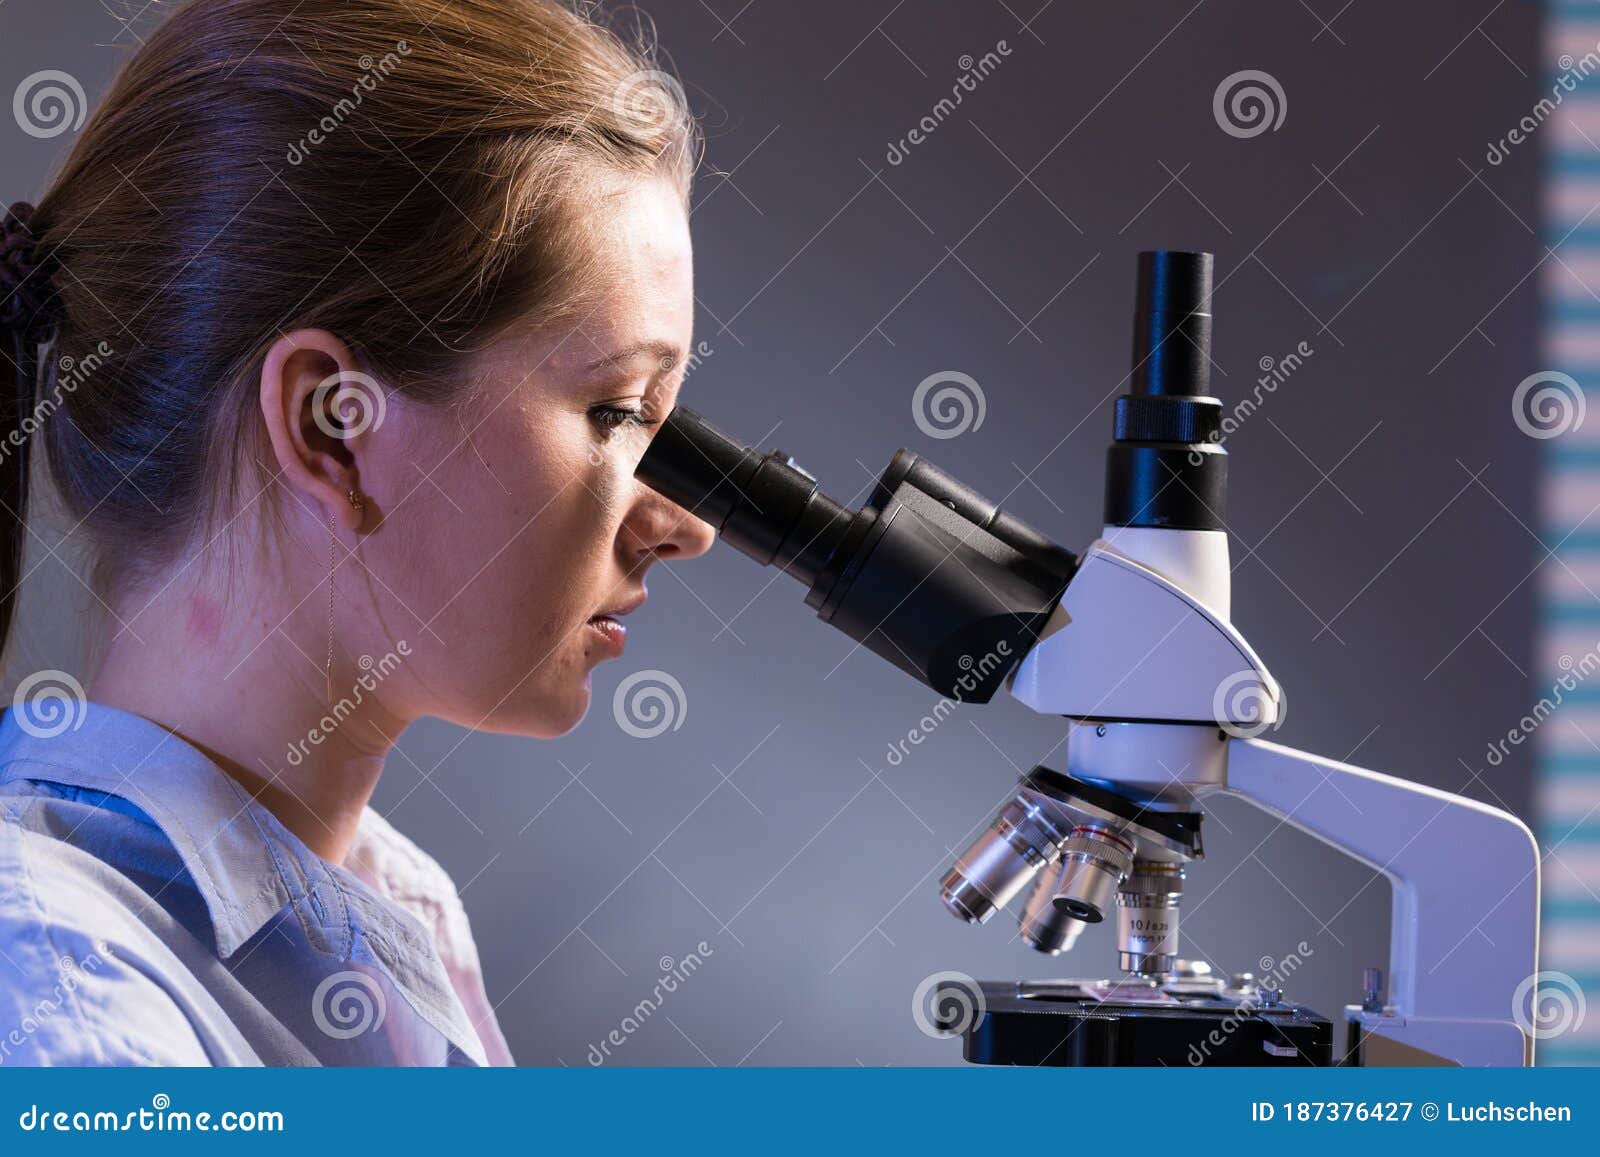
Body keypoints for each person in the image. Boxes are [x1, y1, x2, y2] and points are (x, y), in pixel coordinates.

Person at [0, 0, 714, 1065]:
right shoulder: (63, 995)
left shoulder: (397, 907)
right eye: (614, 412)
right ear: (331, 426)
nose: (685, 525)